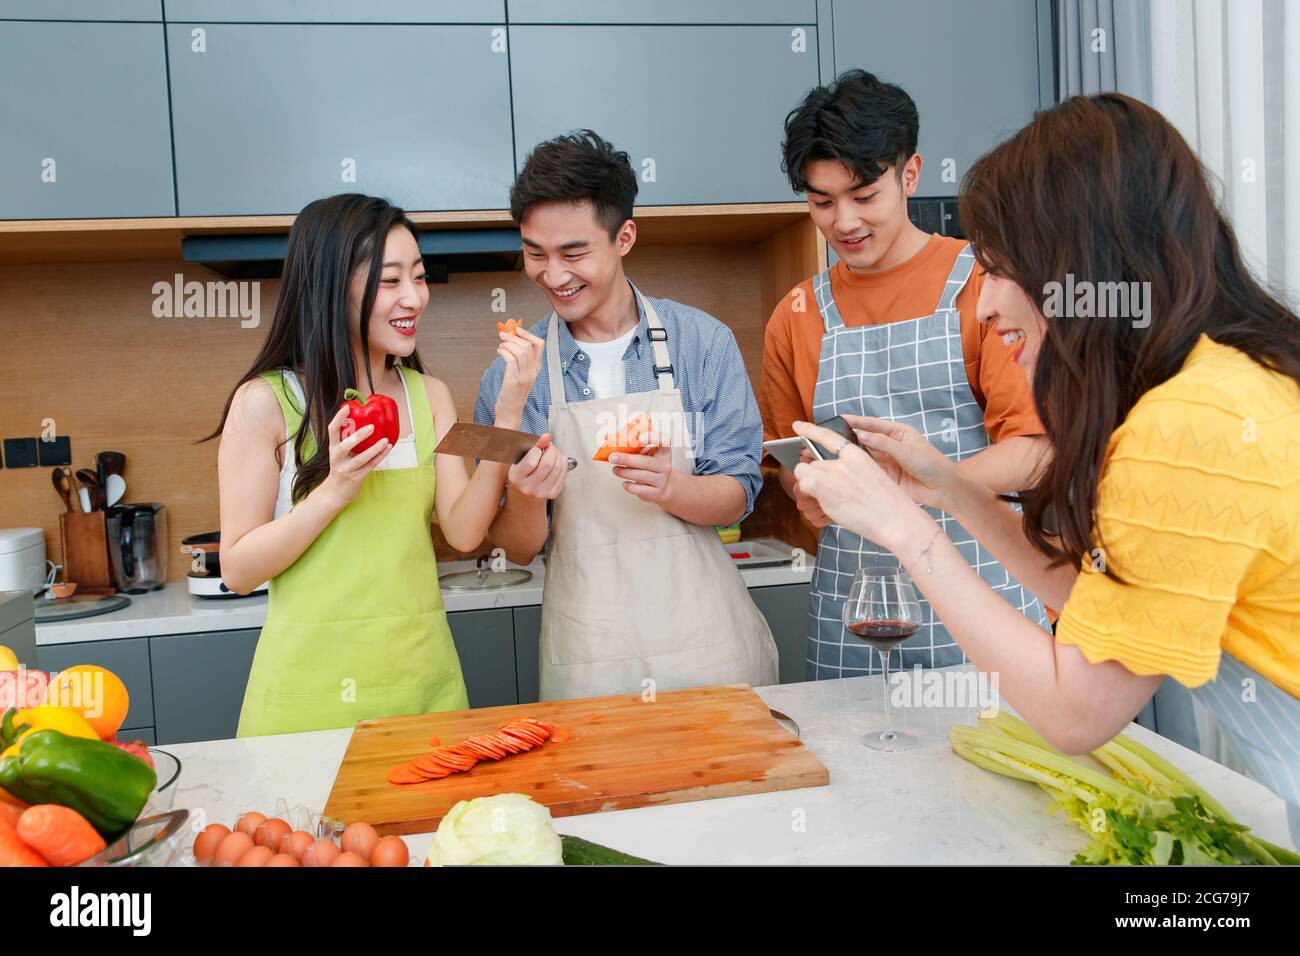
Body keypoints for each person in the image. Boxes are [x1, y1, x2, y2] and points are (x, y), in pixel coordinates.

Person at [792, 94, 1300, 841]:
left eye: (1000, 270)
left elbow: (1075, 713)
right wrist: (950, 489)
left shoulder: (1188, 428)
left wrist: (900, 527)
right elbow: (1110, 599)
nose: (989, 306)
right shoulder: (1229, 378)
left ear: (1079, 264)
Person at [210, 194, 544, 735]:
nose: (414, 297)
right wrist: (334, 489)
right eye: (390, 282)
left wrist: (509, 414)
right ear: (328, 287)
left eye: (419, 276)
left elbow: (462, 531)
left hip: (423, 692)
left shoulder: (429, 396)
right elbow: (239, 570)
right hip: (306, 704)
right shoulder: (265, 403)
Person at [760, 70, 1052, 679]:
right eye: (821, 202)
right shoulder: (795, 316)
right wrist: (809, 495)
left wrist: (921, 489)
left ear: (910, 174)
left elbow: (1033, 449)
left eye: (864, 196)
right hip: (853, 611)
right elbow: (787, 464)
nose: (844, 222)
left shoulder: (986, 284)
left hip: (985, 593)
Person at [474, 131, 778, 700]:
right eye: (534, 253)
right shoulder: (508, 376)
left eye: (573, 252)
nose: (552, 274)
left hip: (710, 645)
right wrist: (524, 494)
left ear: (624, 237)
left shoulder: (703, 343)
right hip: (589, 658)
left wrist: (673, 487)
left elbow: (739, 490)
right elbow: (511, 548)